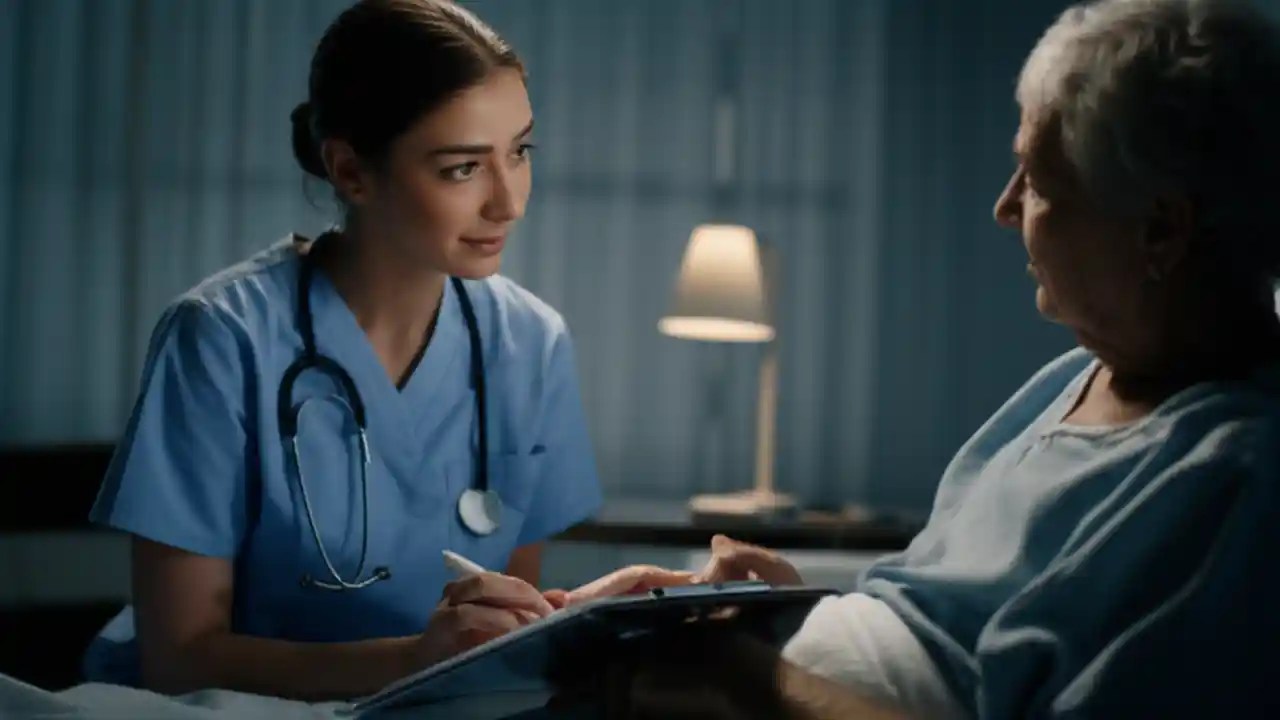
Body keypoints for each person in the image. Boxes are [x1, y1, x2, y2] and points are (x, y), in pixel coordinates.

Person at [564, 0, 1280, 717]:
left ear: (1159, 230)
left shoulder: (1233, 478)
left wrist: (745, 679)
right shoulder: (1073, 379)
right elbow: (943, 615)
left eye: (1036, 180)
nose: (1004, 208)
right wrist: (793, 604)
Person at [79, 0, 668, 701]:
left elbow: (501, 622)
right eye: (461, 168)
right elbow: (178, 659)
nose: (508, 200)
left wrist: (606, 609)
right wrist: (413, 659)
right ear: (351, 172)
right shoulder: (221, 337)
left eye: (520, 151)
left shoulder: (529, 344)